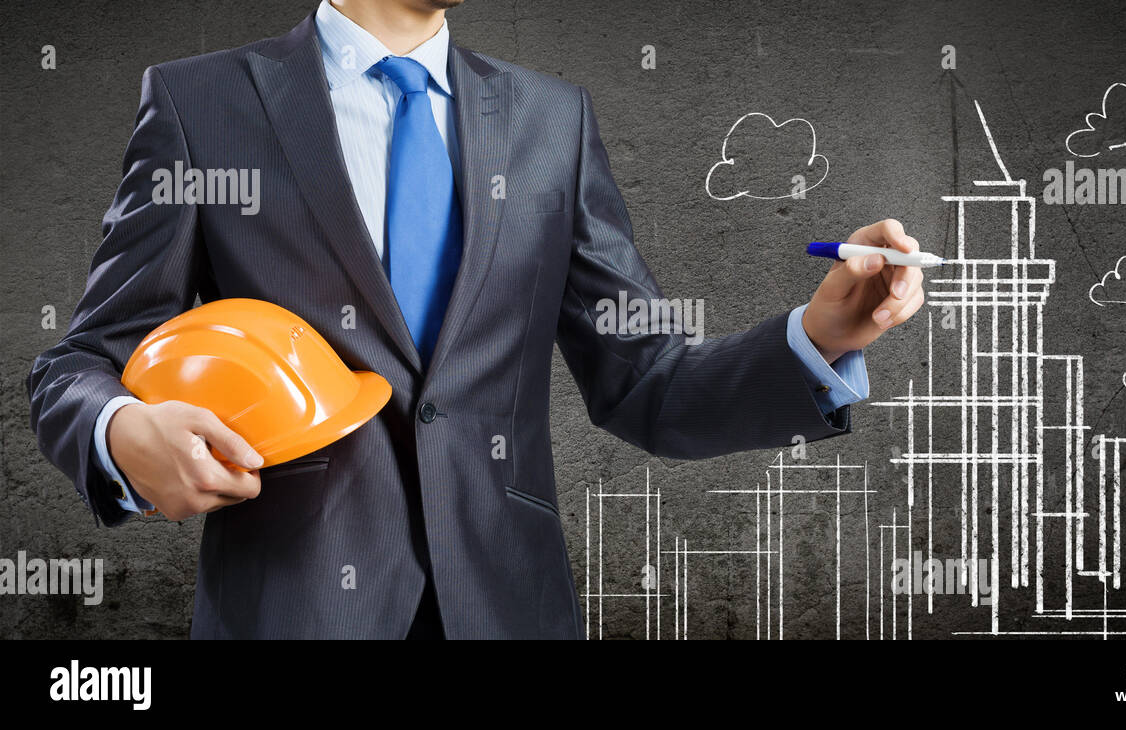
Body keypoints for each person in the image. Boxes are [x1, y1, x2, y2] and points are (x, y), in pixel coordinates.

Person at [27, 0, 925, 639]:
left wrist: (821, 339)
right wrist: (119, 431)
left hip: (509, 604)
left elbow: (645, 380)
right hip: (293, 608)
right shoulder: (201, 104)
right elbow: (80, 362)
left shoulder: (550, 120)